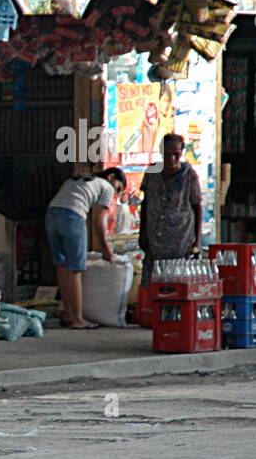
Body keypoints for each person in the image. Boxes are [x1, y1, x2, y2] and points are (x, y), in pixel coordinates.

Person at [45, 166, 127, 329]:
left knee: (61, 265)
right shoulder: (106, 187)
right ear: (111, 177)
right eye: (118, 188)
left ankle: (68, 311)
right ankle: (77, 319)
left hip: (51, 215)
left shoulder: (79, 179)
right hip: (72, 216)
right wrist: (106, 250)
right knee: (75, 270)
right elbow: (98, 221)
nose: (115, 194)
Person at [139, 133, 202, 281]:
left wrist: (197, 242)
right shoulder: (152, 172)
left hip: (180, 241)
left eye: (176, 154)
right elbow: (145, 203)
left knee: (176, 283)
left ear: (181, 153)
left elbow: (197, 207)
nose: (171, 159)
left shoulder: (190, 176)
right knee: (152, 283)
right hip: (155, 241)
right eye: (167, 155)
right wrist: (142, 233)